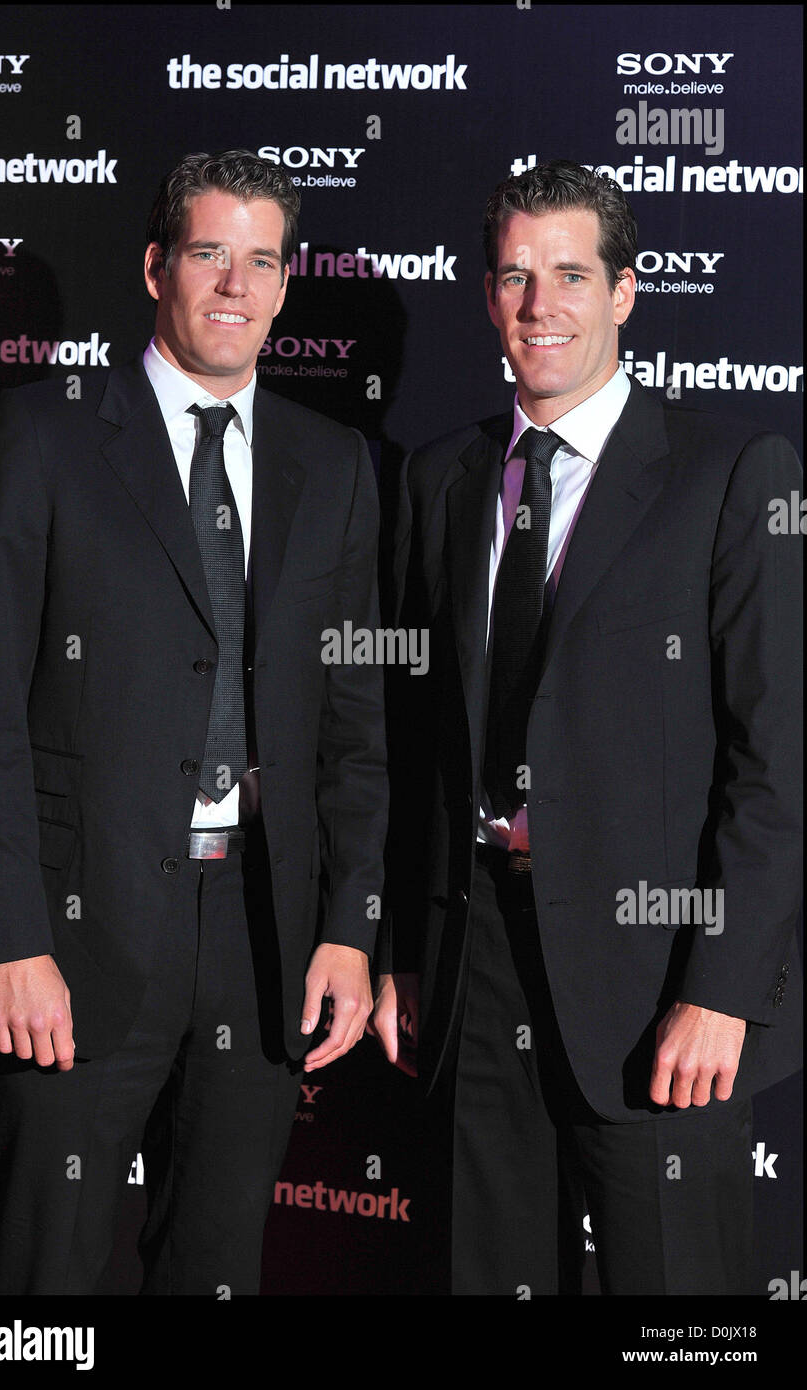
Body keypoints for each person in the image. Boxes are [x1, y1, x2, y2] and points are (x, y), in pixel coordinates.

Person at [0, 149, 387, 1295]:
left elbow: (354, 727)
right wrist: (9, 936)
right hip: (72, 936)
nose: (236, 285)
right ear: (155, 268)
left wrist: (348, 925)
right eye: (209, 253)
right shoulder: (39, 435)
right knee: (48, 1281)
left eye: (262, 261)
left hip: (261, 943)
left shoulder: (334, 466)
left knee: (215, 1265)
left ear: (287, 286)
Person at [372, 159, 801, 1295]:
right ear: (485, 293)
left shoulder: (729, 474)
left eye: (570, 273)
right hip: (477, 976)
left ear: (623, 292)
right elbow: (418, 743)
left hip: (658, 985)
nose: (539, 304)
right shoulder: (441, 481)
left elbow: (780, 764)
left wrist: (720, 985)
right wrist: (409, 952)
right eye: (515, 275)